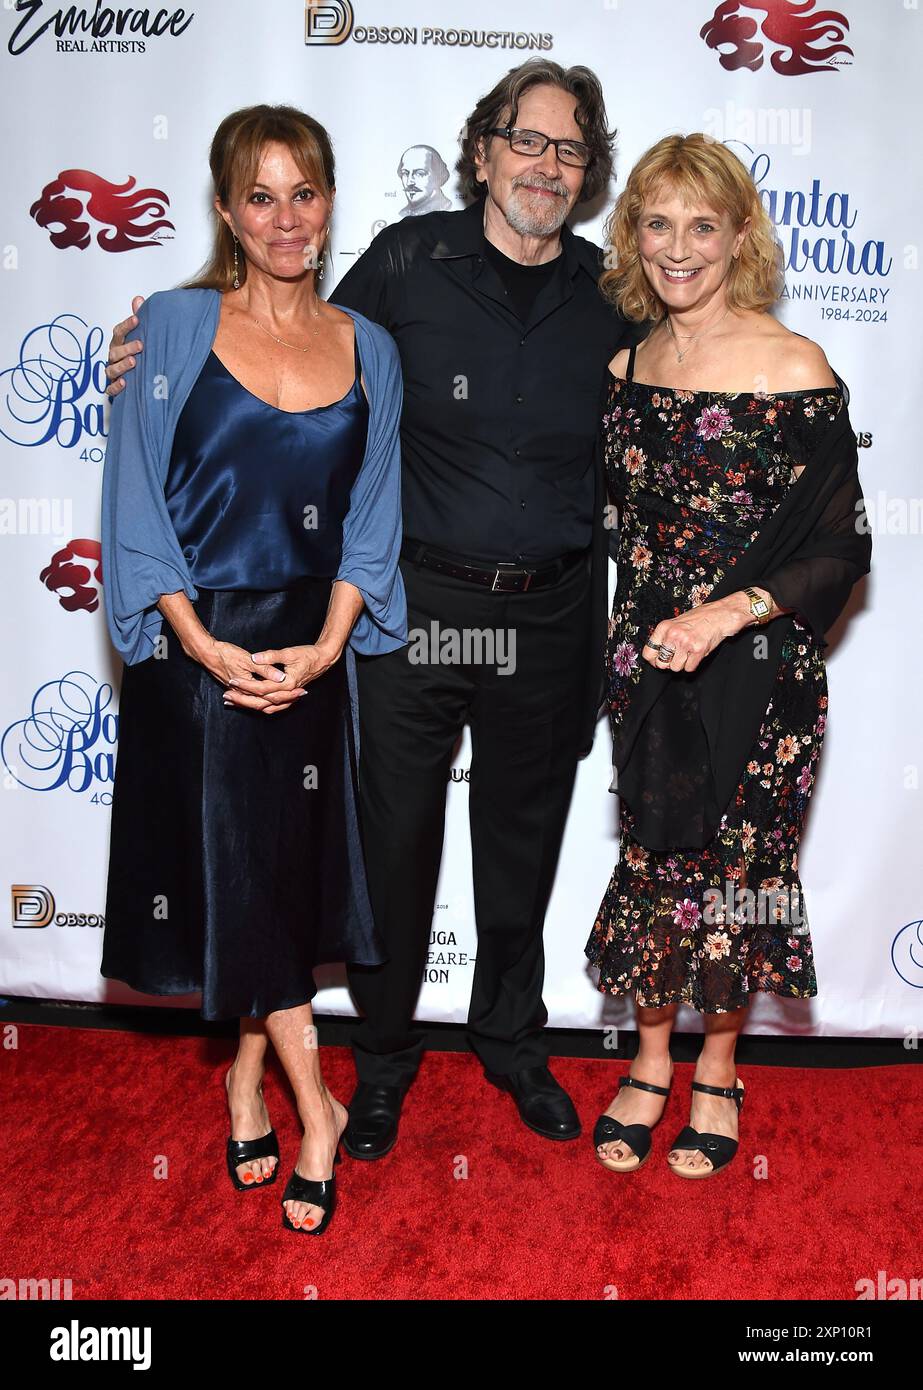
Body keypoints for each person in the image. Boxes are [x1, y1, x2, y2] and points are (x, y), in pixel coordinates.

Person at [105, 60, 639, 1158]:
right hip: (420, 603)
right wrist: (149, 355)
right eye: (523, 140)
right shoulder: (404, 260)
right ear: (482, 151)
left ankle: (509, 1039)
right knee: (392, 842)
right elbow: (288, 370)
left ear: (587, 173)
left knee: (521, 842)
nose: (545, 164)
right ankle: (383, 1059)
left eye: (568, 147)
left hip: (549, 612)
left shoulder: (611, 291)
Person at [99, 104, 406, 1235]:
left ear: (330, 203)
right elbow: (134, 500)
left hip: (310, 646)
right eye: (261, 195)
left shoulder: (369, 345)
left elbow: (371, 518)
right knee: (233, 867)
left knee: (272, 881)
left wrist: (326, 648)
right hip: (201, 649)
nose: (287, 218)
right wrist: (197, 639)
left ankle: (242, 1083)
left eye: (305, 192)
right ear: (227, 209)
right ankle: (316, 1106)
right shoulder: (171, 330)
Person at [586, 134, 871, 1178]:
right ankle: (649, 1059)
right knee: (654, 863)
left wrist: (729, 612)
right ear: (632, 235)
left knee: (738, 873)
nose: (676, 249)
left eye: (700, 225)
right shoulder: (624, 365)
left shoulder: (794, 368)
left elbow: (843, 547)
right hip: (646, 665)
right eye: (655, 223)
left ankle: (716, 1065)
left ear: (738, 235)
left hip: (757, 671)